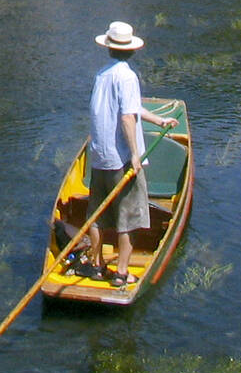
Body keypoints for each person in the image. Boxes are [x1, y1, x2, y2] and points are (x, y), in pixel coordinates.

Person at [75, 21, 178, 289]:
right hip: (121, 158)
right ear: (131, 50)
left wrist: (158, 120)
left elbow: (129, 108)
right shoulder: (128, 77)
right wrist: (134, 155)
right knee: (128, 218)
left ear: (109, 49)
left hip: (99, 156)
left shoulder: (102, 74)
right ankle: (121, 272)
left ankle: (96, 266)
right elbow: (127, 118)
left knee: (97, 214)